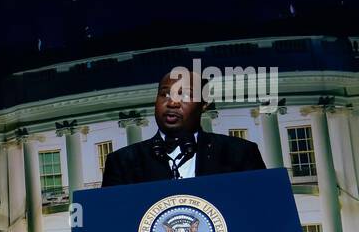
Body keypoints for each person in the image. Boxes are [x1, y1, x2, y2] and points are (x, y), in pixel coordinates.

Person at [101, 71, 267, 186]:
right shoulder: (122, 162)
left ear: (205, 104)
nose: (172, 103)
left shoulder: (239, 153)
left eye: (185, 95)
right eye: (165, 94)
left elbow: (264, 210)